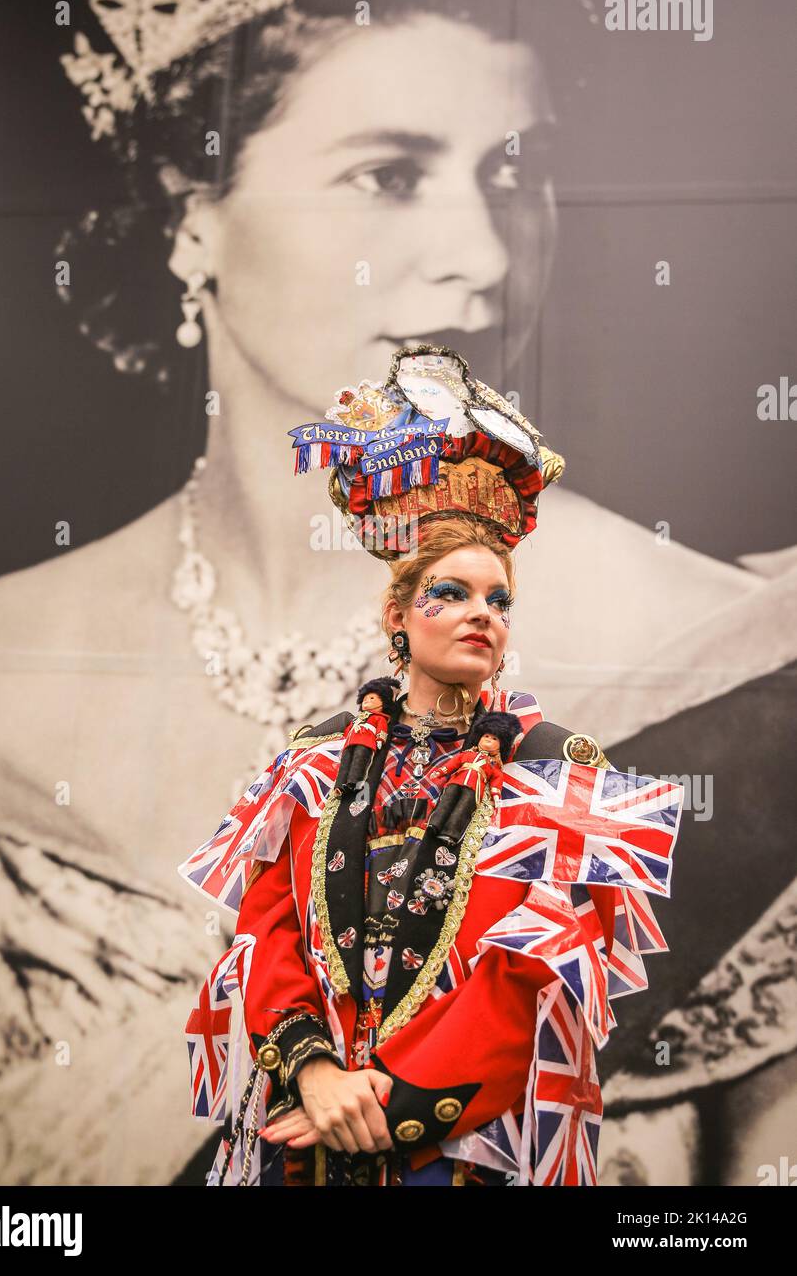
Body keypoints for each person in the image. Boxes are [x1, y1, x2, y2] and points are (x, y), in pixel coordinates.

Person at [0, 0, 795, 1185]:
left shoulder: (731, 672)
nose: (482, 255)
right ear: (192, 222)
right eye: (386, 174)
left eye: (514, 171)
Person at [179, 346, 685, 1185]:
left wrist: (385, 1105)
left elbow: (526, 979)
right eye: (451, 592)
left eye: (500, 600)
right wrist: (313, 1073)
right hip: (304, 1123)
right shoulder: (319, 759)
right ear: (398, 616)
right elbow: (265, 933)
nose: (482, 614)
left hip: (458, 1149)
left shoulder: (555, 771)